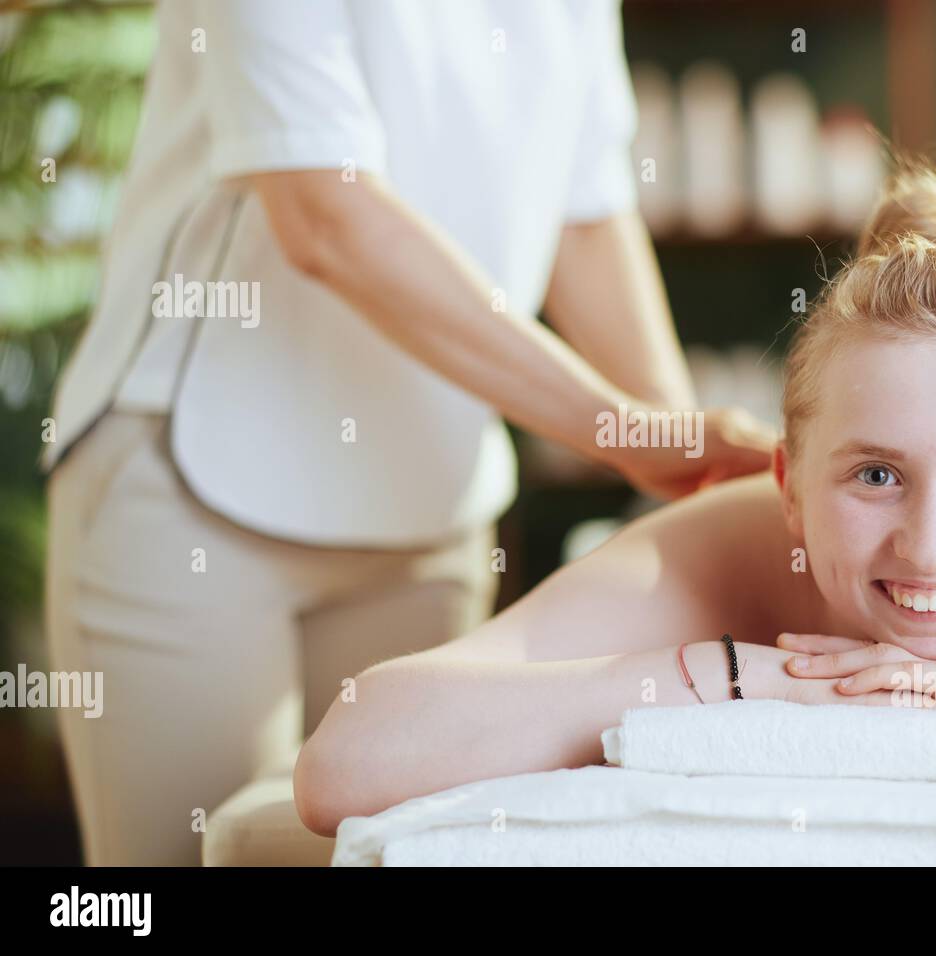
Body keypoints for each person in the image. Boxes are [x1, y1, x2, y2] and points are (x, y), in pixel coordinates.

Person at [294, 166, 936, 835]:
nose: (932, 543)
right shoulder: (710, 553)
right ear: (787, 487)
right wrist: (743, 675)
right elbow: (348, 757)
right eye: (874, 474)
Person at [43, 0, 772, 865]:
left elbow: (585, 212)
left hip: (426, 500)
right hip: (190, 479)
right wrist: (624, 430)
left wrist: (688, 462)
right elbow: (324, 213)